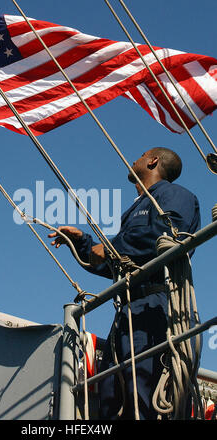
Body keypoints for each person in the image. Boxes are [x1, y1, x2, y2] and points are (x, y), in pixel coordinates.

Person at [48, 147, 201, 420]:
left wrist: (108, 249)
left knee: (143, 394)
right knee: (113, 396)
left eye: (141, 155)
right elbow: (120, 266)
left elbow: (168, 237)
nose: (134, 160)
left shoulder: (174, 196)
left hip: (157, 306)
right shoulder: (136, 208)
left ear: (153, 161)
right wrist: (82, 243)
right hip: (127, 313)